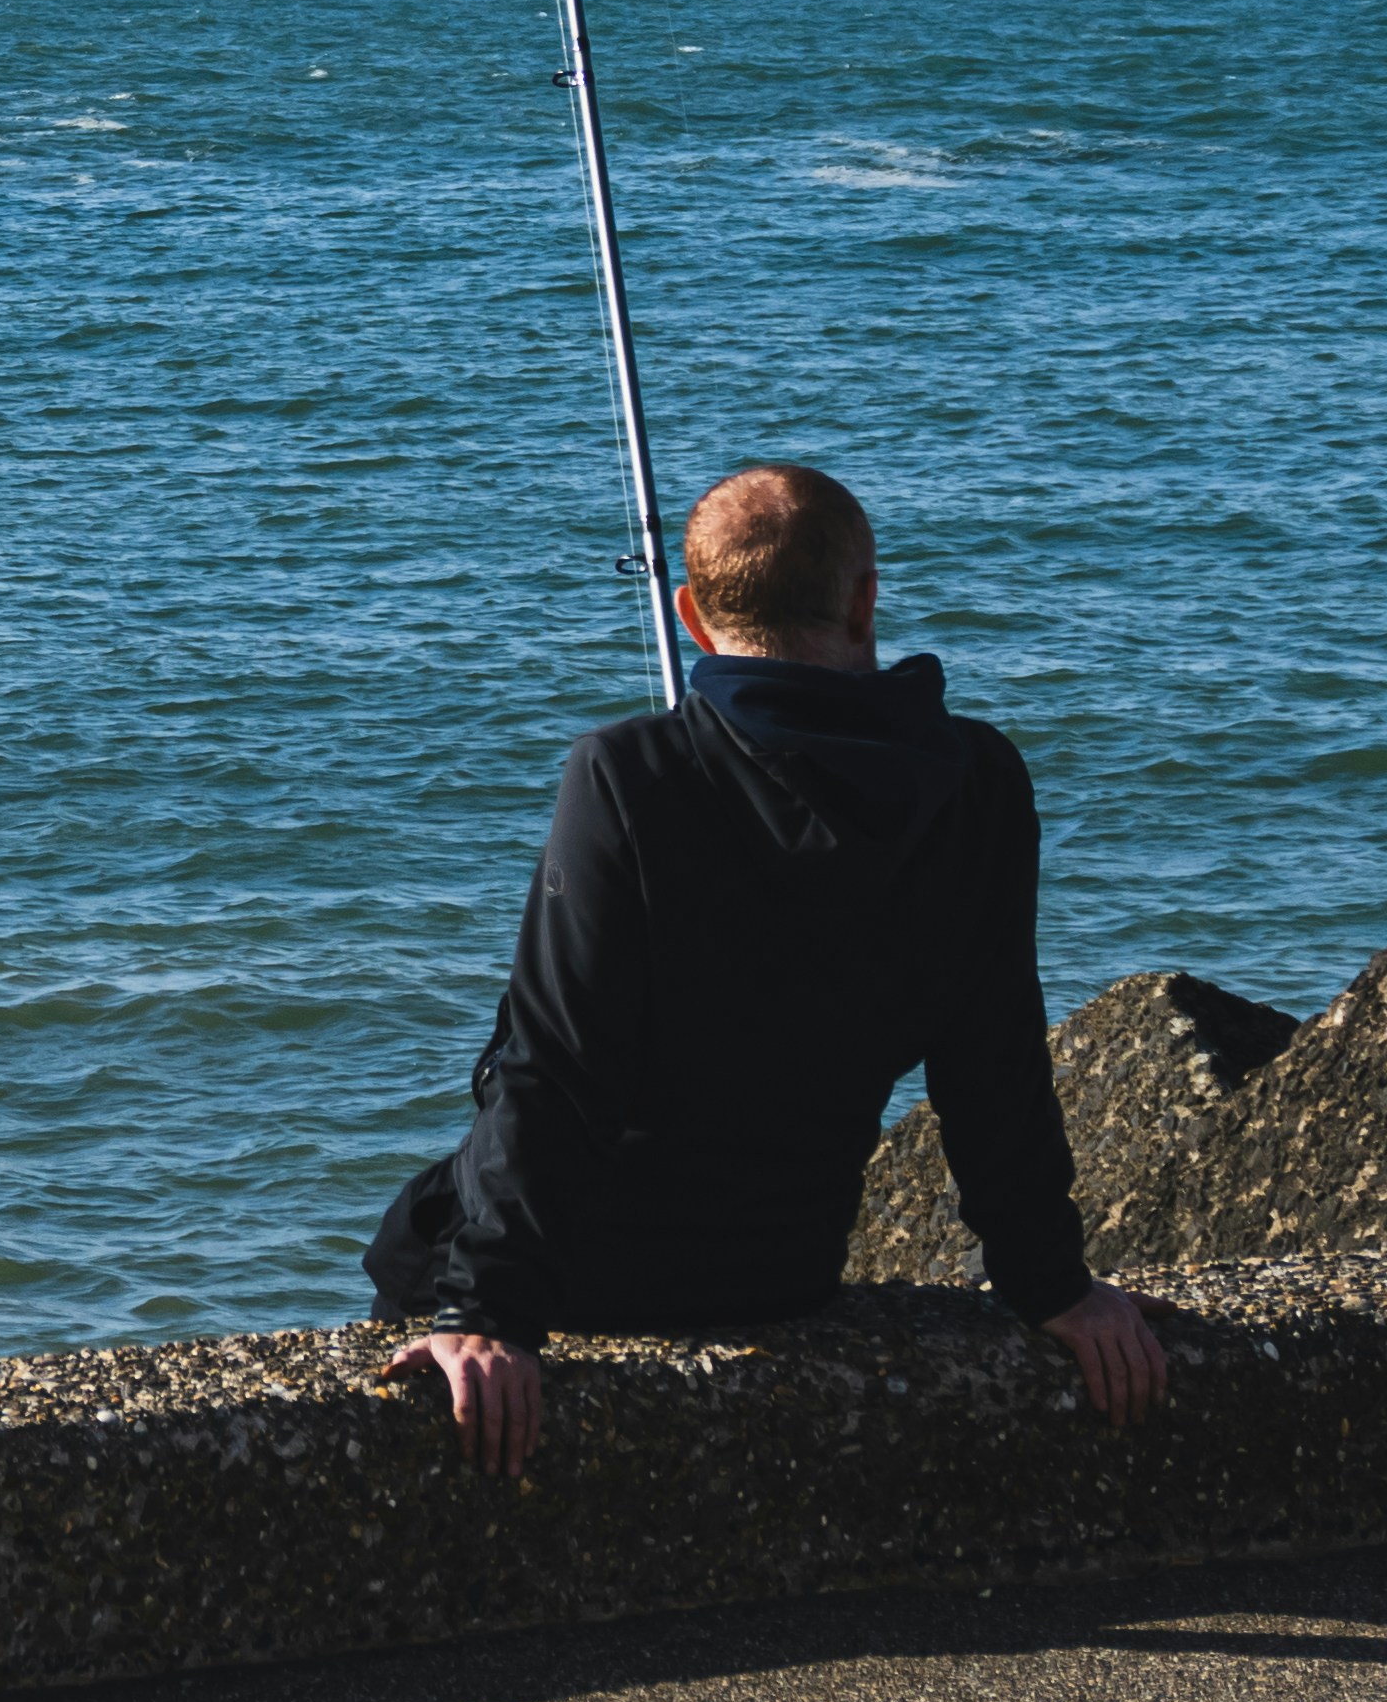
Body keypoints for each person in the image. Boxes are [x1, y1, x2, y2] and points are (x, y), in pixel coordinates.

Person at [370, 460, 1169, 1475]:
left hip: (590, 1273)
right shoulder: (977, 780)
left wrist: (484, 1311)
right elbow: (993, 1064)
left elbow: (555, 1064)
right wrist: (1053, 1287)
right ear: (865, 595)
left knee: (411, 1237)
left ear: (690, 616)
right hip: (780, 1269)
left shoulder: (622, 772)